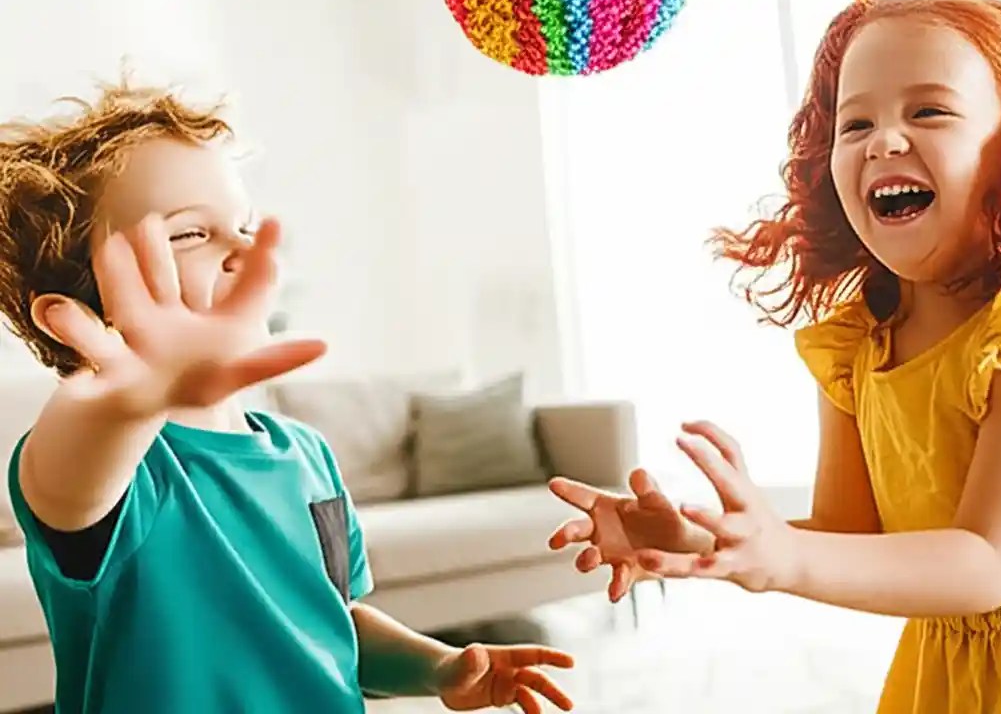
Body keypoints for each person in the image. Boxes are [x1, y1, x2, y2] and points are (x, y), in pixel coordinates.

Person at [546, 0, 1001, 711]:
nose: (884, 141)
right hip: (940, 671)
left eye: (929, 112)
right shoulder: (855, 345)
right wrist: (703, 539)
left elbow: (988, 563)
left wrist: (787, 560)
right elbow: (847, 536)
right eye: (857, 123)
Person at [0, 81, 574, 714]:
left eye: (242, 225)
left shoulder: (307, 455)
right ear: (74, 315)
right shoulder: (102, 467)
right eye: (190, 234)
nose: (244, 249)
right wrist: (128, 398)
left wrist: (439, 667)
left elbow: (335, 624)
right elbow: (73, 462)